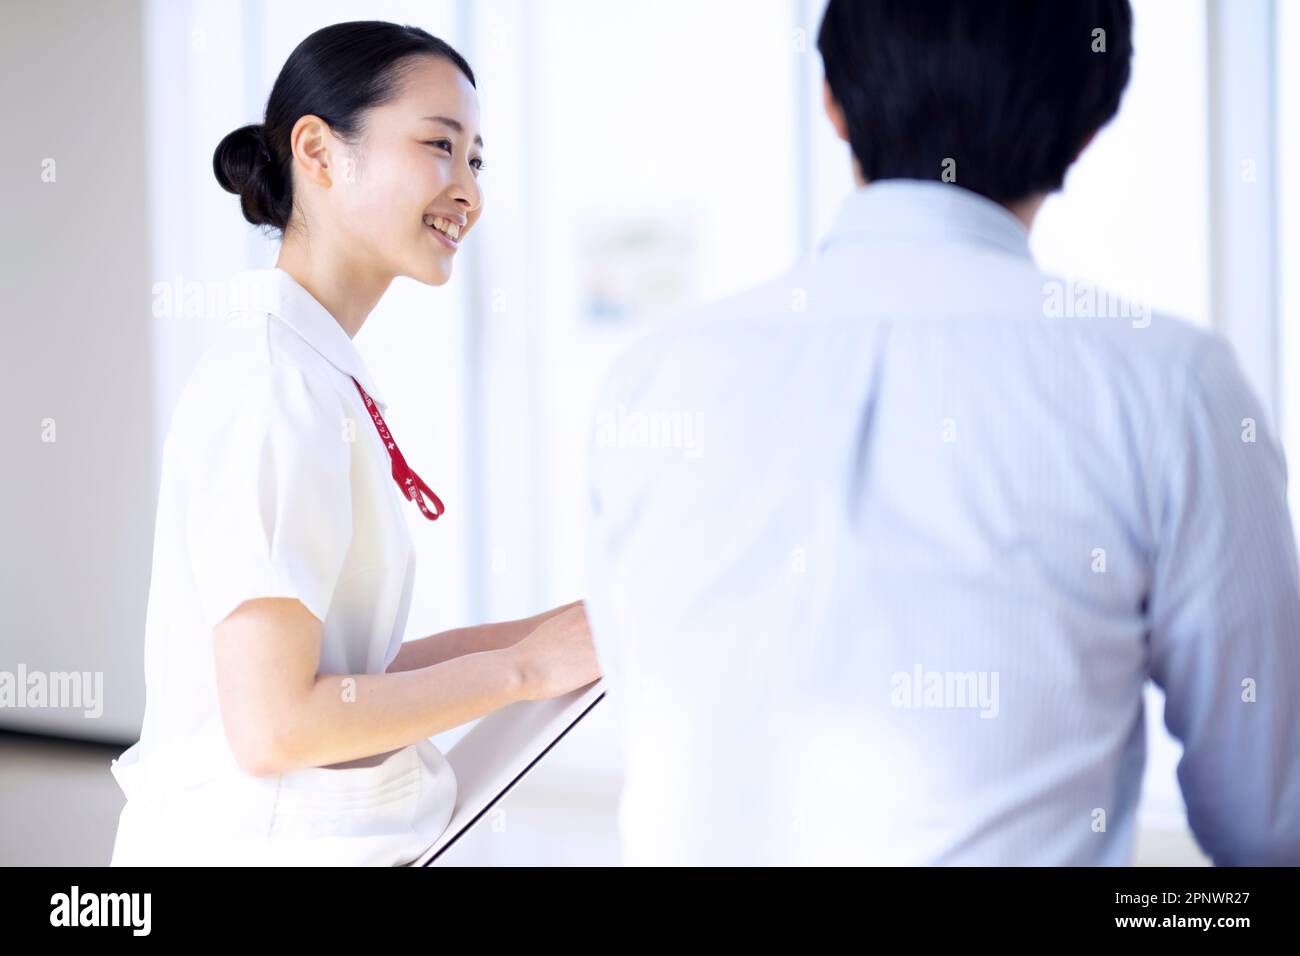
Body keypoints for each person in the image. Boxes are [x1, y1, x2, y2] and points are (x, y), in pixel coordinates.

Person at [582, 0, 1300, 865]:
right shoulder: (1172, 383)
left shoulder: (651, 381)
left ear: (833, 104)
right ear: (1088, 124)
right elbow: (1268, 824)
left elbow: (657, 710)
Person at [109, 20, 600, 867]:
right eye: (439, 146)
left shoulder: (313, 366)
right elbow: (275, 724)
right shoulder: (273, 384)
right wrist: (520, 671)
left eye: (476, 160)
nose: (468, 191)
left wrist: (569, 631)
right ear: (320, 151)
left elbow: (350, 668)